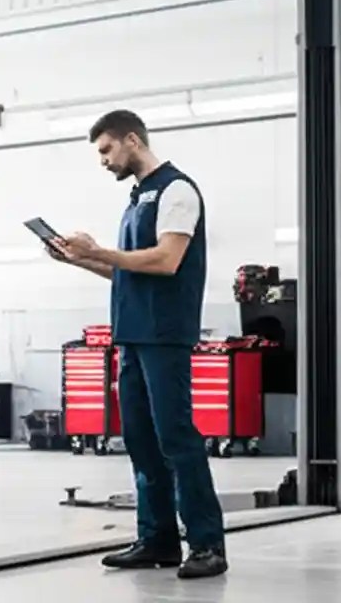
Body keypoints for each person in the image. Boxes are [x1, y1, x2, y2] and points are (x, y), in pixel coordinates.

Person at [48, 109, 228, 580]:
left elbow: (167, 260)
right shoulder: (137, 200)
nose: (103, 161)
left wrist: (99, 249)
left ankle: (207, 544)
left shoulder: (176, 190)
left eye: (107, 150)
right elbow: (125, 271)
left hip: (164, 334)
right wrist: (79, 261)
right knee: (141, 441)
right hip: (131, 334)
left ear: (132, 140)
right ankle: (158, 540)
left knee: (175, 437)